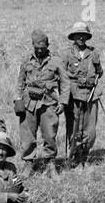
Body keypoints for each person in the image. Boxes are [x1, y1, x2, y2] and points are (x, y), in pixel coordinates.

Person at [16, 29, 67, 179]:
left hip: (48, 103)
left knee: (50, 134)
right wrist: (17, 99)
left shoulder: (56, 61)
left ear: (47, 45)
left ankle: (50, 164)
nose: (39, 50)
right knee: (27, 135)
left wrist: (63, 102)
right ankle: (28, 163)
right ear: (33, 45)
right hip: (29, 103)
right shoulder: (26, 60)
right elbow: (20, 81)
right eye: (37, 47)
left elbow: (65, 82)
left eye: (42, 47)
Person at [61, 21, 102, 166]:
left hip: (90, 95)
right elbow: (62, 75)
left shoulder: (93, 53)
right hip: (73, 95)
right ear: (73, 37)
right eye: (78, 35)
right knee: (73, 128)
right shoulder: (67, 54)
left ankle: (84, 156)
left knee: (89, 131)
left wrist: (92, 79)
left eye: (84, 35)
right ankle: (72, 156)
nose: (81, 38)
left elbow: (99, 72)